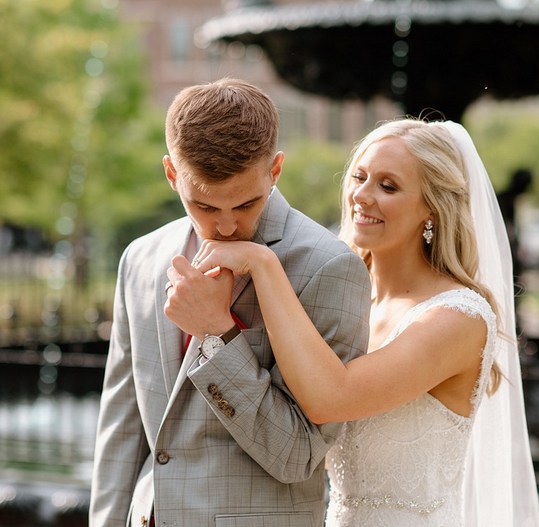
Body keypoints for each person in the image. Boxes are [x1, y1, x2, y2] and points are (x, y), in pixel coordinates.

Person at [191, 119, 539, 526]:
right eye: (359, 177)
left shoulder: (457, 317)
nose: (362, 195)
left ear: (432, 205)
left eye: (388, 186)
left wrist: (263, 263)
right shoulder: (346, 298)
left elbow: (329, 400)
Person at [89, 78, 372, 527]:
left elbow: (299, 456)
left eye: (245, 204)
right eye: (203, 206)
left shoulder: (330, 267)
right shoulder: (139, 258)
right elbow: (122, 426)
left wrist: (218, 335)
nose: (224, 226)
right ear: (171, 174)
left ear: (275, 170)